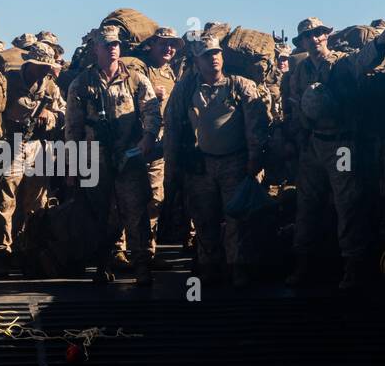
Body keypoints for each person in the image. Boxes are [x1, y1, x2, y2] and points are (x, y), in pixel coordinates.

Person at [164, 34, 269, 288]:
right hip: (200, 165)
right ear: (196, 62)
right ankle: (210, 267)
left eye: (216, 53)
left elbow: (256, 126)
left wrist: (255, 160)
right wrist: (172, 168)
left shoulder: (240, 86)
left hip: (235, 162)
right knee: (203, 218)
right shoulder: (186, 89)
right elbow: (172, 126)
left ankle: (238, 268)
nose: (213, 59)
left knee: (237, 220)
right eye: (206, 55)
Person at [65, 25, 162, 286]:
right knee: (99, 214)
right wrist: (72, 168)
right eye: (106, 45)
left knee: (135, 212)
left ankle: (142, 264)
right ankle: (102, 263)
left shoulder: (135, 79)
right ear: (95, 48)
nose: (112, 49)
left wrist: (147, 139)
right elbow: (72, 128)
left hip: (128, 157)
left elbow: (152, 111)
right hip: (94, 159)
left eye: (115, 45)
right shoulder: (81, 84)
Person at [283, 17, 371, 291]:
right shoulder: (300, 70)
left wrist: (381, 41)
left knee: (347, 204)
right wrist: (299, 140)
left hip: (341, 144)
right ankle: (304, 265)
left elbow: (365, 59)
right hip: (314, 144)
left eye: (318, 34)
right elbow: (296, 106)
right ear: (303, 42)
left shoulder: (342, 63)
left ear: (326, 36)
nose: (314, 39)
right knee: (306, 204)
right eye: (308, 36)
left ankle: (352, 269)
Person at [0, 43, 65, 269]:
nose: (45, 71)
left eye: (48, 67)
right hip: (10, 143)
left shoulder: (51, 86)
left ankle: (30, 247)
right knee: (4, 200)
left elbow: (63, 112)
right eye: (41, 66)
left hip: (38, 147)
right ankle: (2, 250)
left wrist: (50, 115)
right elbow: (1, 108)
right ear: (30, 64)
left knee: (36, 202)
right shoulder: (9, 81)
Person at [125, 27, 183, 259]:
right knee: (126, 198)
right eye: (163, 43)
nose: (168, 48)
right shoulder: (139, 69)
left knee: (155, 198)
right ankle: (119, 249)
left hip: (159, 144)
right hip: (134, 142)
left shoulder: (170, 73)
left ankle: (147, 251)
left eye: (172, 45)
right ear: (152, 45)